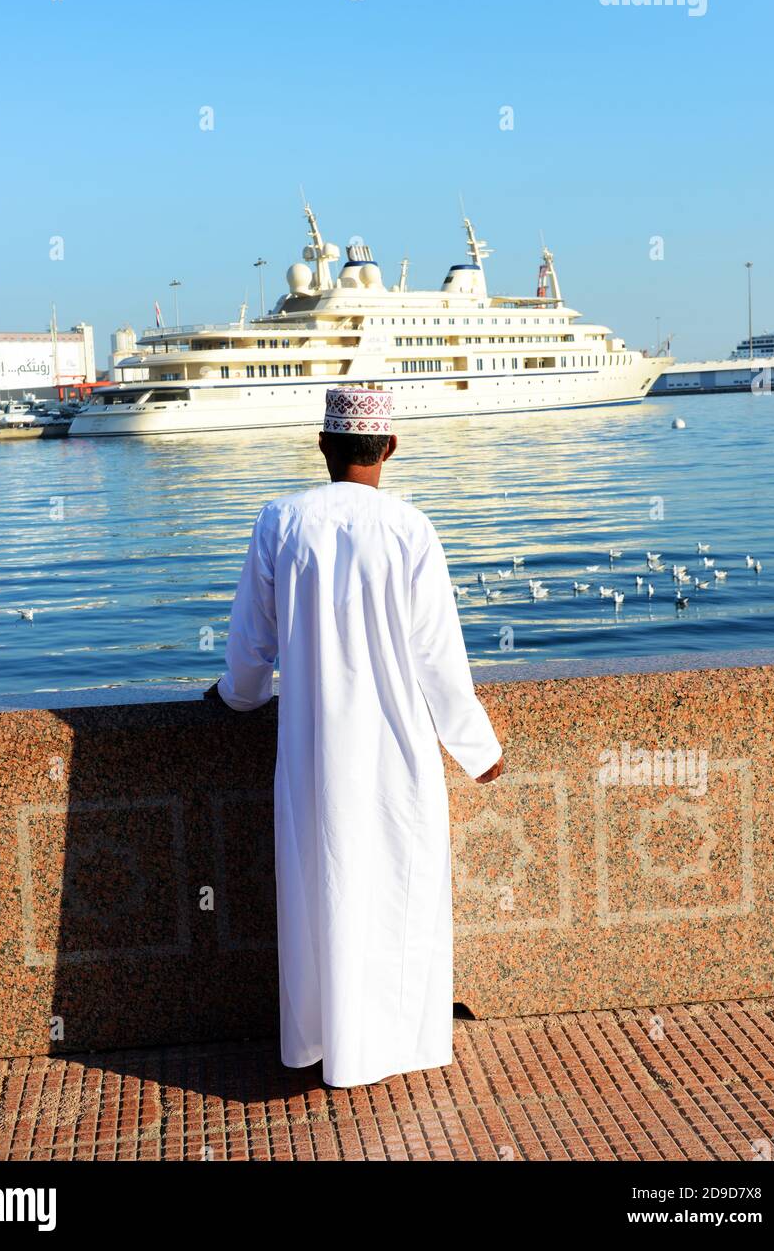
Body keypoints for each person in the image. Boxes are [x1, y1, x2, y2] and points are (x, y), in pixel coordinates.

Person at [205, 386, 503, 1088]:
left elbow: (251, 642)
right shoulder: (411, 528)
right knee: (398, 888)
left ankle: (321, 1044)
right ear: (389, 448)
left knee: (322, 889)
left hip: (312, 749)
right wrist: (476, 750)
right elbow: (438, 657)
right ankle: (390, 1045)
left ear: (322, 445)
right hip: (398, 748)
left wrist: (236, 698)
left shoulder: (281, 520)